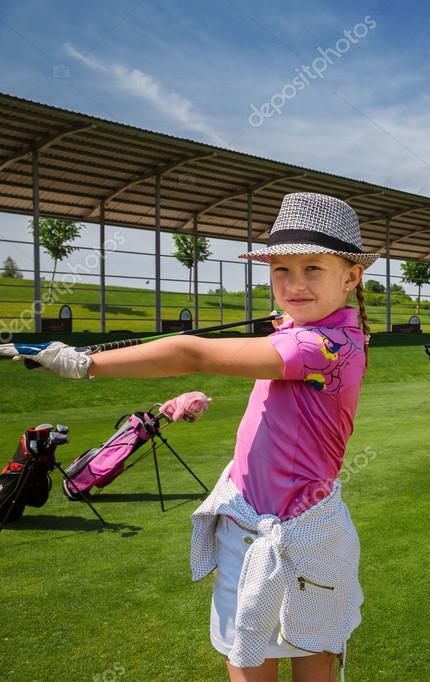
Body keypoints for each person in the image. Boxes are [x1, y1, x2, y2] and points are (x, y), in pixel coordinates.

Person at [14, 192, 378, 682]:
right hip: (253, 520)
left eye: (312, 269)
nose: (294, 285)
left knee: (298, 658)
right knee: (264, 653)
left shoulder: (322, 345)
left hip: (293, 531)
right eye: (281, 272)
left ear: (351, 275)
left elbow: (192, 353)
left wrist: (84, 363)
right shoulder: (321, 333)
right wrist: (288, 318)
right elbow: (285, 334)